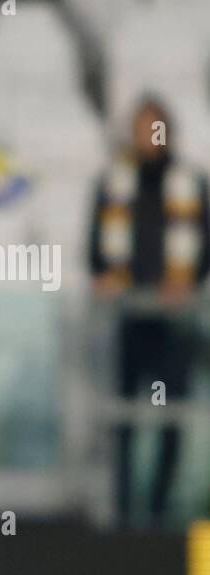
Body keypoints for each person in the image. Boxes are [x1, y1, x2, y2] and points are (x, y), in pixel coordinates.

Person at [89, 96, 210, 528]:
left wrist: (187, 283)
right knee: (122, 419)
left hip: (174, 326)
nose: (147, 137)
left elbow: (204, 249)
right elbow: (96, 250)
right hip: (128, 322)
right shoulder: (115, 181)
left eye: (153, 128)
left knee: (170, 419)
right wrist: (109, 278)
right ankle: (121, 511)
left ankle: (160, 510)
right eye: (141, 128)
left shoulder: (189, 183)